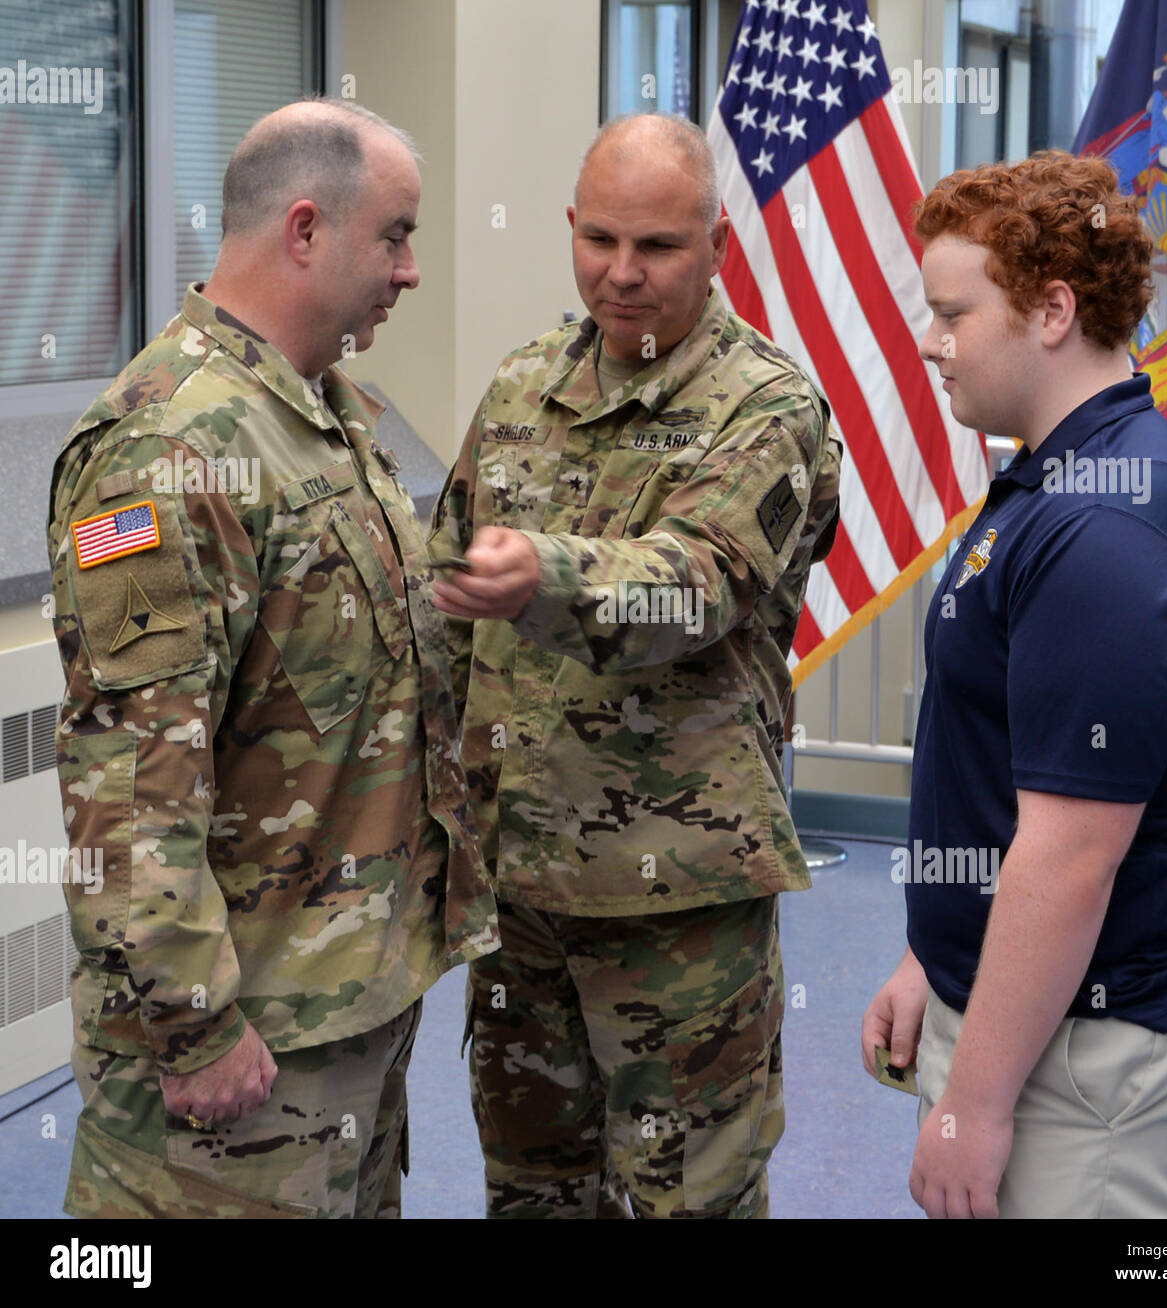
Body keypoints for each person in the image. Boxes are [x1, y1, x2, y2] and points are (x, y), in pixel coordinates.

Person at [47, 98, 497, 1219]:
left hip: (345, 1000)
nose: (410, 272)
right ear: (306, 230)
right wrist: (194, 1026)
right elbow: (129, 788)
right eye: (395, 236)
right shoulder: (168, 447)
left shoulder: (326, 409)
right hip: (241, 1045)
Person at [429, 113, 841, 1218]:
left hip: (678, 908)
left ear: (716, 247)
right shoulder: (522, 388)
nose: (622, 274)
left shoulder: (767, 406)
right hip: (520, 894)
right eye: (599, 239)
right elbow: (446, 604)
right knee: (532, 1189)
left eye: (656, 247)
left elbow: (695, 584)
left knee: (683, 1200)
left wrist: (545, 578)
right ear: (569, 228)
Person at [862, 150, 1167, 1220]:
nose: (929, 342)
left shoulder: (1105, 528)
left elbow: (1071, 857)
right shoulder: (1054, 473)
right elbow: (1000, 771)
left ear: (1050, 311)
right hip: (1035, 1008)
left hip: (1096, 1056)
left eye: (952, 313)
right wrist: (936, 957)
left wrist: (974, 1103)